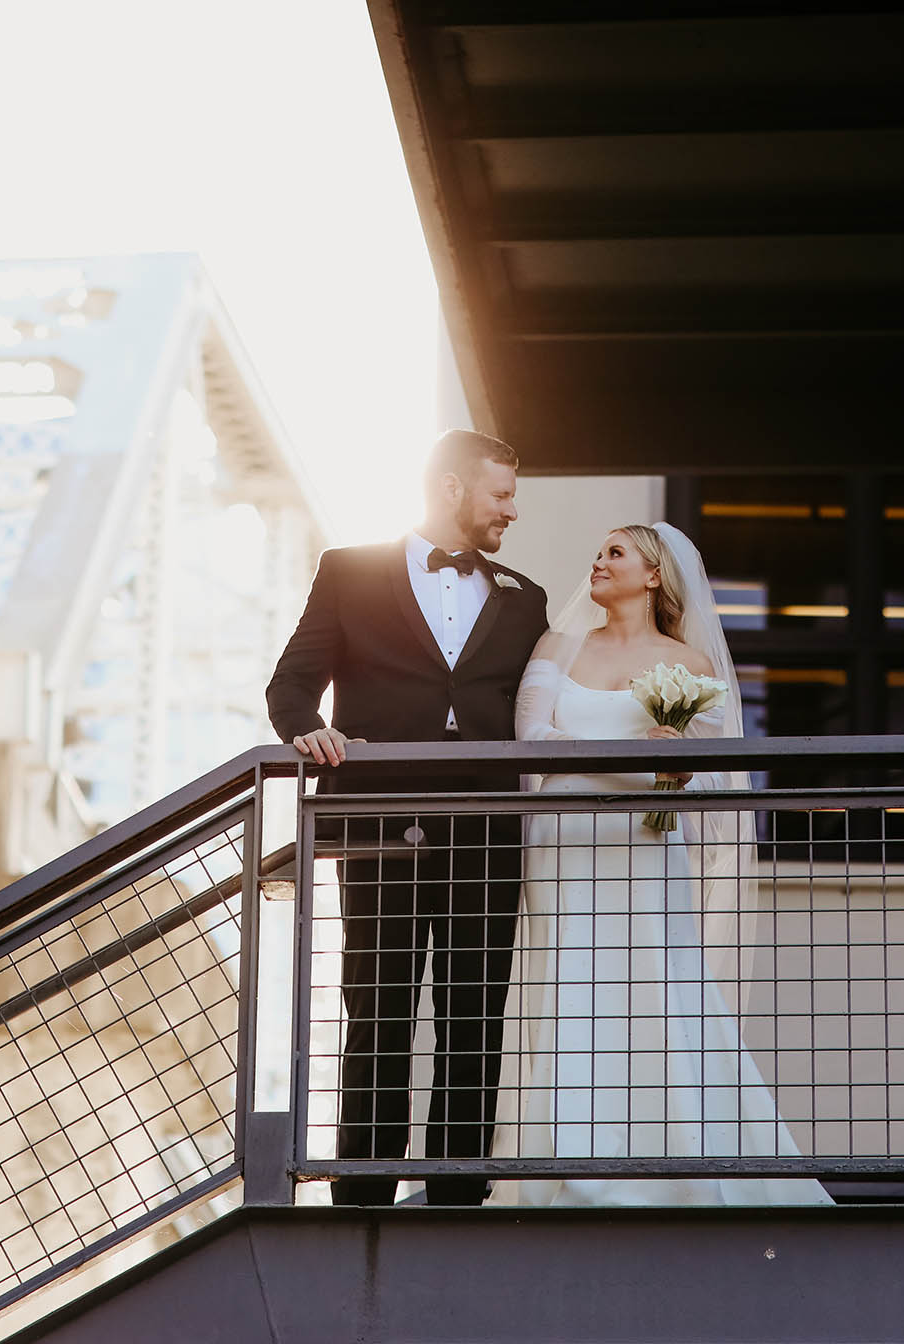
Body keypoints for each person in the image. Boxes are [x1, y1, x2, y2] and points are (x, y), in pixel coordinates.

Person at [502, 523, 830, 1206]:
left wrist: (670, 767)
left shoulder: (691, 664)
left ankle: (679, 1158)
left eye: (615, 553)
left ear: (653, 575)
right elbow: (532, 741)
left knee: (659, 982)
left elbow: (708, 778)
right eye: (596, 552)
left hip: (646, 848)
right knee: (576, 986)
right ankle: (569, 1166)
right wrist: (640, 765)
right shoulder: (558, 646)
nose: (598, 561)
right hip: (566, 847)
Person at [265, 428, 550, 1206]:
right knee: (379, 1007)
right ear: (454, 490)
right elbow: (291, 686)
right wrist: (307, 730)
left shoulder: (529, 601)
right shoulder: (349, 572)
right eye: (501, 494)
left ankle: (457, 1193)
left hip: (486, 828)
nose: (511, 511)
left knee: (474, 1013)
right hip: (381, 823)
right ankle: (362, 1190)